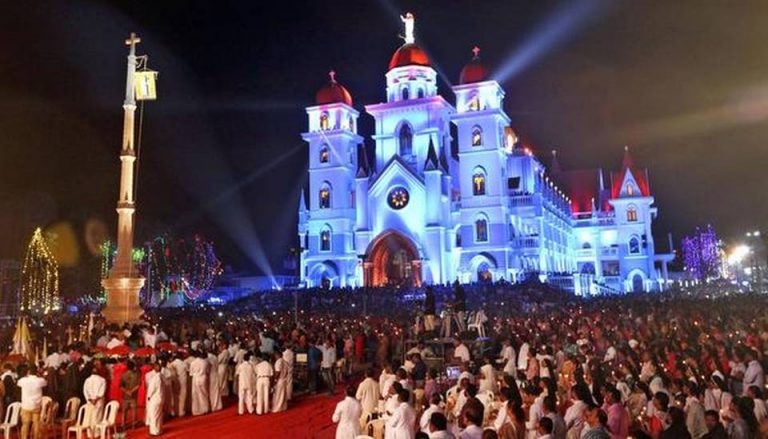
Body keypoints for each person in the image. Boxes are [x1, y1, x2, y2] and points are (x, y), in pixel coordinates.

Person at [17, 365, 46, 439]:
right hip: (36, 406)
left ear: (28, 371)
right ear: (37, 372)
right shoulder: (40, 380)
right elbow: (45, 383)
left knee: (25, 424)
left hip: (26, 405)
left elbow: (18, 383)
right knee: (36, 424)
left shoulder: (23, 380)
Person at [83, 366, 106, 437]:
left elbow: (85, 391)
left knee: (90, 417)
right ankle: (97, 433)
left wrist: (89, 399)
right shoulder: (102, 380)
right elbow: (102, 392)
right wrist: (96, 399)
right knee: (98, 417)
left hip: (90, 401)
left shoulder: (87, 380)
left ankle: (90, 434)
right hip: (98, 401)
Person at [119, 360, 140, 430]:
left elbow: (121, 386)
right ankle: (133, 425)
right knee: (134, 410)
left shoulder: (123, 375)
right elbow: (138, 385)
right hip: (133, 396)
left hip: (125, 396)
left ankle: (123, 424)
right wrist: (131, 391)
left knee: (124, 411)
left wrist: (127, 391)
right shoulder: (136, 374)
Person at [145, 361, 164, 436]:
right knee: (158, 415)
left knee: (154, 415)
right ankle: (158, 429)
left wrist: (149, 397)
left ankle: (154, 431)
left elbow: (151, 389)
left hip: (154, 399)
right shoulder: (161, 376)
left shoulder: (155, 378)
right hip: (160, 398)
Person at [189, 351, 210, 416]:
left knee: (195, 395)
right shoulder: (205, 362)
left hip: (195, 379)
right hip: (203, 378)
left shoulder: (192, 363)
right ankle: (205, 409)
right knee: (204, 394)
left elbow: (191, 374)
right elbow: (208, 371)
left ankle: (196, 410)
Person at [169, 353, 189, 417]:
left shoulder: (172, 364)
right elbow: (188, 371)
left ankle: (175, 411)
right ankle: (181, 412)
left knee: (175, 396)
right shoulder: (184, 363)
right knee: (182, 396)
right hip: (183, 381)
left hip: (175, 381)